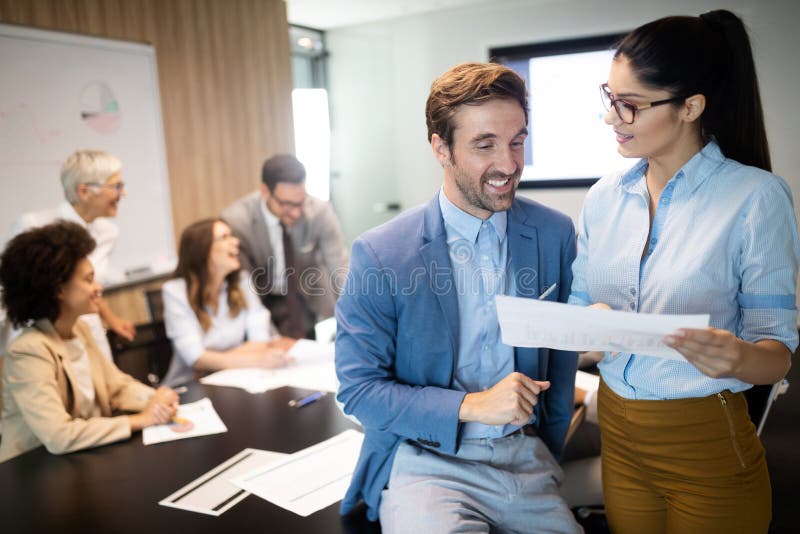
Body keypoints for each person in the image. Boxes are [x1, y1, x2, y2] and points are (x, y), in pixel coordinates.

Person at [568, 10, 799, 533]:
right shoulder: (605, 196)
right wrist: (588, 324)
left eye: (630, 106)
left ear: (690, 107)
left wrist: (737, 355)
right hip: (621, 437)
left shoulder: (756, 198)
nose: (612, 119)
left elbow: (778, 357)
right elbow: (581, 304)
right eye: (610, 99)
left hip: (704, 444)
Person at [335, 62, 582, 532]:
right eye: (484, 145)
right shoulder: (382, 252)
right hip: (430, 460)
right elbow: (360, 389)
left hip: (526, 460)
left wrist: (548, 450)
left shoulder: (554, 233)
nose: (508, 165)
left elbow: (562, 360)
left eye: (516, 141)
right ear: (440, 148)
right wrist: (473, 406)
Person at [0, 221, 178, 463]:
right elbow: (59, 436)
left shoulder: (79, 328)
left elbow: (117, 386)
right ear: (58, 289)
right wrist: (142, 419)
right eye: (88, 279)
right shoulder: (28, 351)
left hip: (80, 462)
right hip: (32, 474)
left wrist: (154, 400)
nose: (98, 288)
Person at [5, 149, 136, 359]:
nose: (123, 193)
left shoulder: (108, 233)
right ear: (84, 191)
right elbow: (10, 292)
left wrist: (111, 318)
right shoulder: (34, 227)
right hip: (43, 342)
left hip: (88, 333)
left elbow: (86, 283)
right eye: (116, 186)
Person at [221, 154, 348, 339]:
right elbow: (244, 285)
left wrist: (356, 320)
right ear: (265, 191)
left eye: (300, 202)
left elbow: (340, 267)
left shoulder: (319, 212)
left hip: (305, 299)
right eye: (287, 204)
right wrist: (270, 337)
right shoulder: (238, 222)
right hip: (261, 300)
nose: (296, 213)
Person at [160, 218, 293, 387]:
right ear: (202, 249)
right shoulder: (175, 292)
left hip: (235, 379)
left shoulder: (243, 282)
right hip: (189, 386)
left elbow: (261, 340)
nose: (235, 242)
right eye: (224, 237)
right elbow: (195, 358)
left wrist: (213, 362)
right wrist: (257, 359)